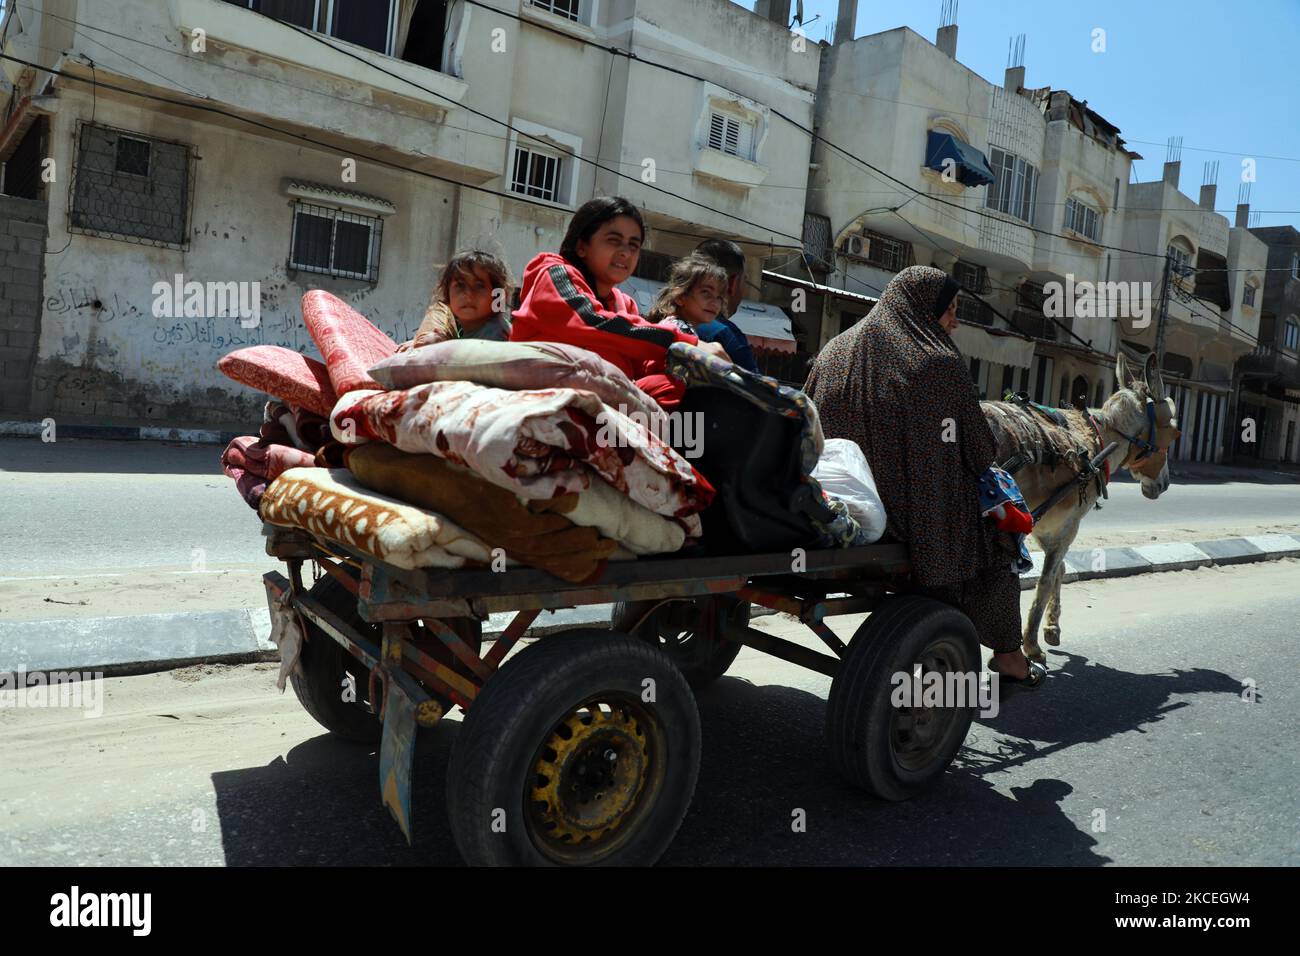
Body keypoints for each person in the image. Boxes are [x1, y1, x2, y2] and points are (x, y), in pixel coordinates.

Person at [804, 265, 1045, 687]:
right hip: (910, 521)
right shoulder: (938, 362)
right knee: (1001, 538)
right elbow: (980, 452)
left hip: (832, 506)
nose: (954, 321)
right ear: (920, 307)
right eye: (949, 310)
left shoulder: (834, 350)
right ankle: (1008, 655)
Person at [510, 196, 728, 410]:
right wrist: (687, 344)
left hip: (602, 406)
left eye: (634, 245)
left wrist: (695, 366)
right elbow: (590, 321)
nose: (625, 252)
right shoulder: (553, 272)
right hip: (545, 398)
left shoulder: (625, 304)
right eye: (613, 240)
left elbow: (643, 370)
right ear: (581, 246)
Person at [396, 250, 513, 351]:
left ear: (499, 296)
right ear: (448, 296)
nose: (468, 293)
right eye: (460, 285)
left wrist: (430, 348)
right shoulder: (471, 331)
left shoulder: (496, 333)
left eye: (479, 286)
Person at [693, 238, 759, 373]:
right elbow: (757, 391)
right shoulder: (725, 335)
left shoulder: (664, 321)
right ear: (733, 283)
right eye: (744, 281)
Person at [645, 253, 730, 336]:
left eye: (720, 297)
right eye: (706, 292)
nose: (715, 303)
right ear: (680, 297)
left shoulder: (677, 326)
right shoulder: (679, 329)